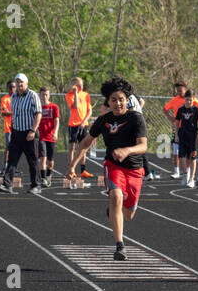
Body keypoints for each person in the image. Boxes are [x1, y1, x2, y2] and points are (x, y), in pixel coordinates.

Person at [73, 76, 148, 260]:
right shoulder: (103, 120)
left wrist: (127, 150)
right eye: (113, 100)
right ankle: (120, 245)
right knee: (115, 196)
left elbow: (143, 146)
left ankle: (118, 210)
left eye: (121, 99)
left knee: (129, 214)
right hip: (113, 165)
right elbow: (85, 142)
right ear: (108, 101)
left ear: (127, 100)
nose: (118, 103)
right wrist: (72, 166)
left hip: (135, 169)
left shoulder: (136, 118)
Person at [0, 73, 43, 195]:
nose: (19, 84)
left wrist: (33, 130)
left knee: (32, 160)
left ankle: (36, 185)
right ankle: (7, 184)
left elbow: (38, 114)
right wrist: (13, 130)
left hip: (29, 133)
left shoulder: (33, 95)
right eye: (17, 82)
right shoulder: (13, 97)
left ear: (26, 83)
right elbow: (15, 115)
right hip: (17, 132)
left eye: (21, 82)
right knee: (12, 159)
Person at [174, 86, 198, 186]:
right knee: (181, 156)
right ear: (184, 99)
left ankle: (192, 178)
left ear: (193, 99)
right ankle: (185, 174)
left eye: (190, 100)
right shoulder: (180, 109)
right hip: (183, 136)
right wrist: (176, 135)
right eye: (187, 100)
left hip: (193, 136)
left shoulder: (196, 110)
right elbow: (177, 123)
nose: (189, 102)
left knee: (193, 157)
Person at [162, 81, 191, 179]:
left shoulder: (191, 100)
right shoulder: (175, 100)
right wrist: (170, 118)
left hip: (189, 129)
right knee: (176, 151)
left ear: (185, 89)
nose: (179, 92)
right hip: (177, 128)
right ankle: (176, 171)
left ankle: (188, 171)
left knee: (188, 152)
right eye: (177, 91)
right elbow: (165, 109)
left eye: (181, 91)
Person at [65, 77, 93, 175]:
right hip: (73, 124)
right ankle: (71, 169)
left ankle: (83, 170)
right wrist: (76, 93)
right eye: (78, 84)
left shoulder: (86, 95)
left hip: (83, 124)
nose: (81, 86)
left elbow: (90, 111)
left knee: (83, 147)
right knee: (72, 147)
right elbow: (76, 106)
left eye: (81, 84)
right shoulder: (69, 95)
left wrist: (84, 121)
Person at [38, 86, 60, 185]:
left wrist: (55, 132)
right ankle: (43, 178)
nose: (45, 97)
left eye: (46, 95)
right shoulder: (37, 107)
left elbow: (57, 121)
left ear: (49, 95)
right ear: (40, 95)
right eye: (43, 95)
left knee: (50, 161)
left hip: (50, 136)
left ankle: (48, 175)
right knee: (43, 157)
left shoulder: (54, 107)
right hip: (40, 136)